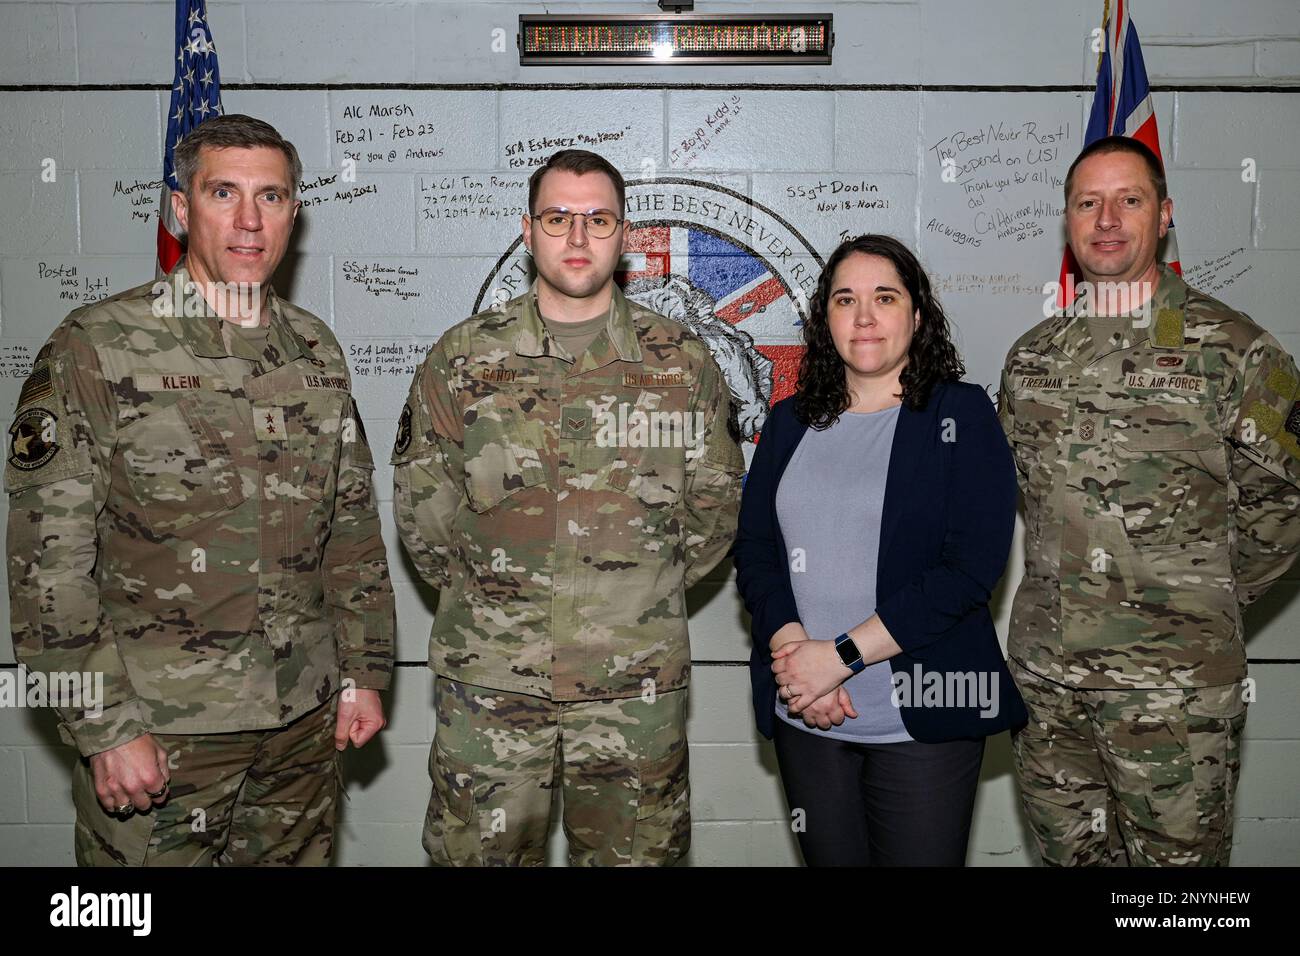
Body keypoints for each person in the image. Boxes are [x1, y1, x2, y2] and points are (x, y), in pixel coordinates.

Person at [4, 114, 394, 866]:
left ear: (294, 211)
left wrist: (365, 674)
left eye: (272, 197)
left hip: (301, 726)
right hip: (163, 732)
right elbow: (47, 568)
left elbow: (351, 532)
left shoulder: (314, 348)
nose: (250, 221)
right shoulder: (98, 345)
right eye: (224, 193)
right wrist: (105, 726)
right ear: (182, 210)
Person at [392, 148, 744, 866]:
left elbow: (714, 513)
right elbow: (424, 518)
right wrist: (500, 605)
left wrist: (629, 599)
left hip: (633, 686)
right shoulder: (462, 360)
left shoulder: (681, 362)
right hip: (494, 682)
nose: (577, 239)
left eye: (597, 220)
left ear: (624, 236)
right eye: (558, 219)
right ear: (528, 232)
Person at [1000, 135, 1300, 866]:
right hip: (1048, 686)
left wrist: (1197, 598)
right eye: (1087, 203)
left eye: (1127, 200)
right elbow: (1029, 500)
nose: (1106, 219)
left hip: (1173, 695)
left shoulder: (1236, 349)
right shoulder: (1031, 356)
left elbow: (1286, 503)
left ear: (1163, 215)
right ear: (1068, 221)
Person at [733, 234, 1027, 866]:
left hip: (921, 718)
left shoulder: (960, 414)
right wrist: (792, 652)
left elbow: (968, 571)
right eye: (846, 300)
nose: (864, 316)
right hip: (807, 713)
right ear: (825, 319)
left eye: (884, 297)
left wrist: (839, 657)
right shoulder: (789, 422)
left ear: (916, 316)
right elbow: (756, 547)